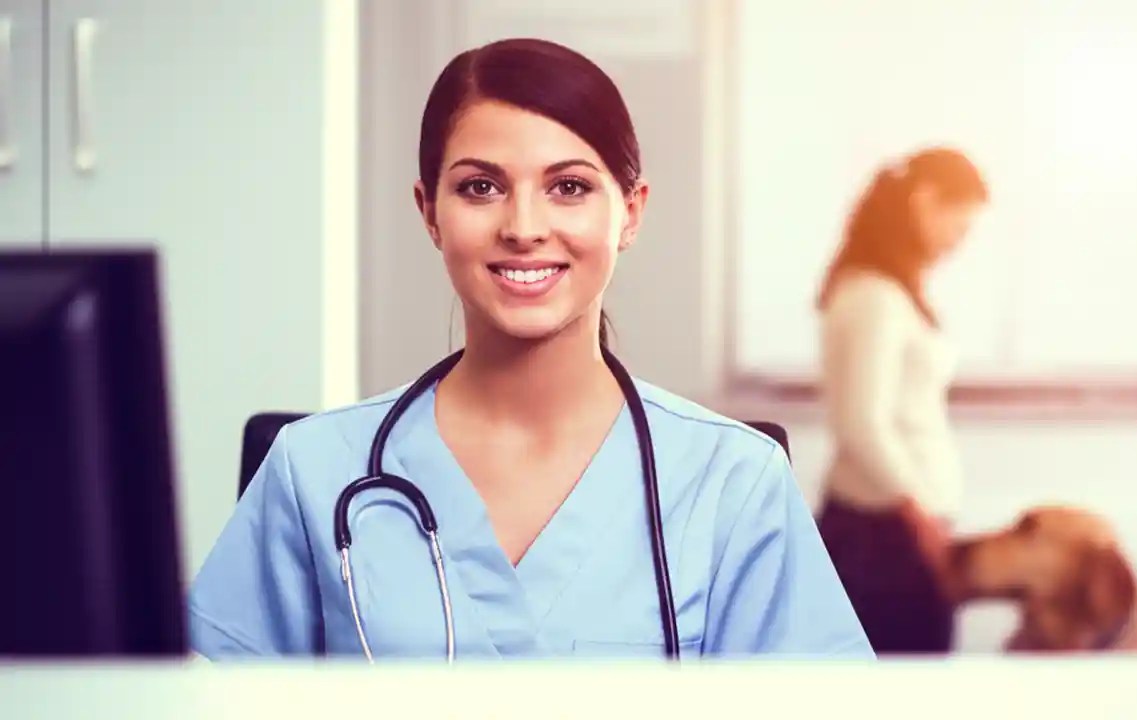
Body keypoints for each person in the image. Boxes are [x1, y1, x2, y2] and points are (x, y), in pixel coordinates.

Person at [186, 38, 873, 660]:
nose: (523, 227)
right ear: (429, 211)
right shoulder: (313, 470)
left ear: (629, 211)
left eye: (568, 187)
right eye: (480, 187)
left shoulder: (732, 482)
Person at [813, 148, 988, 654]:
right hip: (884, 541)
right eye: (960, 224)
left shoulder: (887, 292)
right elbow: (862, 424)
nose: (960, 242)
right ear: (925, 202)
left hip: (895, 533)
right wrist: (922, 518)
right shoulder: (875, 296)